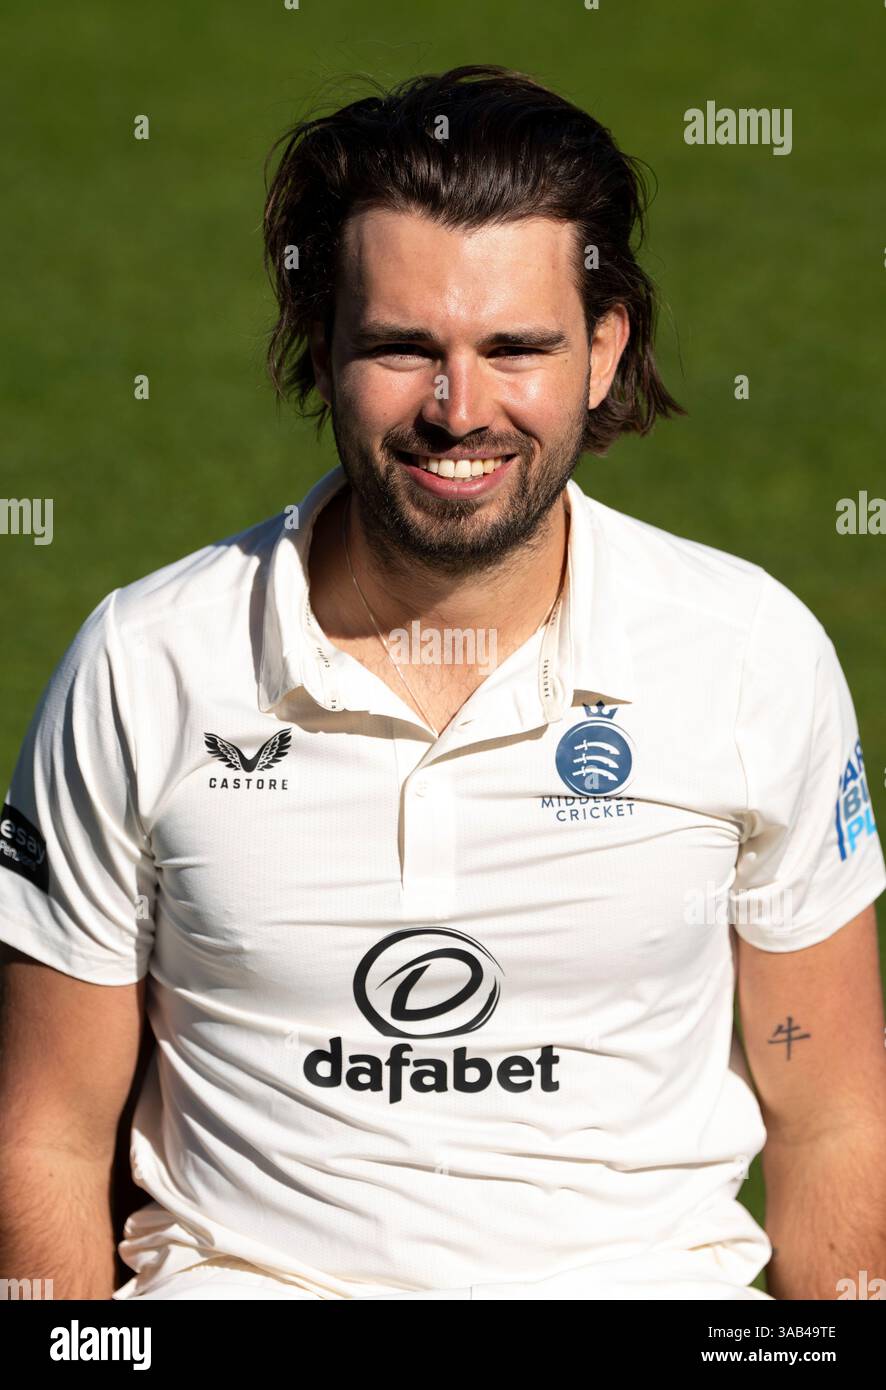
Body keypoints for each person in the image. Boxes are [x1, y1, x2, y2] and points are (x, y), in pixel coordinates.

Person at [1, 65, 884, 1303]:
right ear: (323, 346)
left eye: (515, 348)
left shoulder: (747, 652)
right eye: (403, 348)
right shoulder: (143, 663)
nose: (458, 410)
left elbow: (833, 1118)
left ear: (602, 350)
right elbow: (43, 1135)